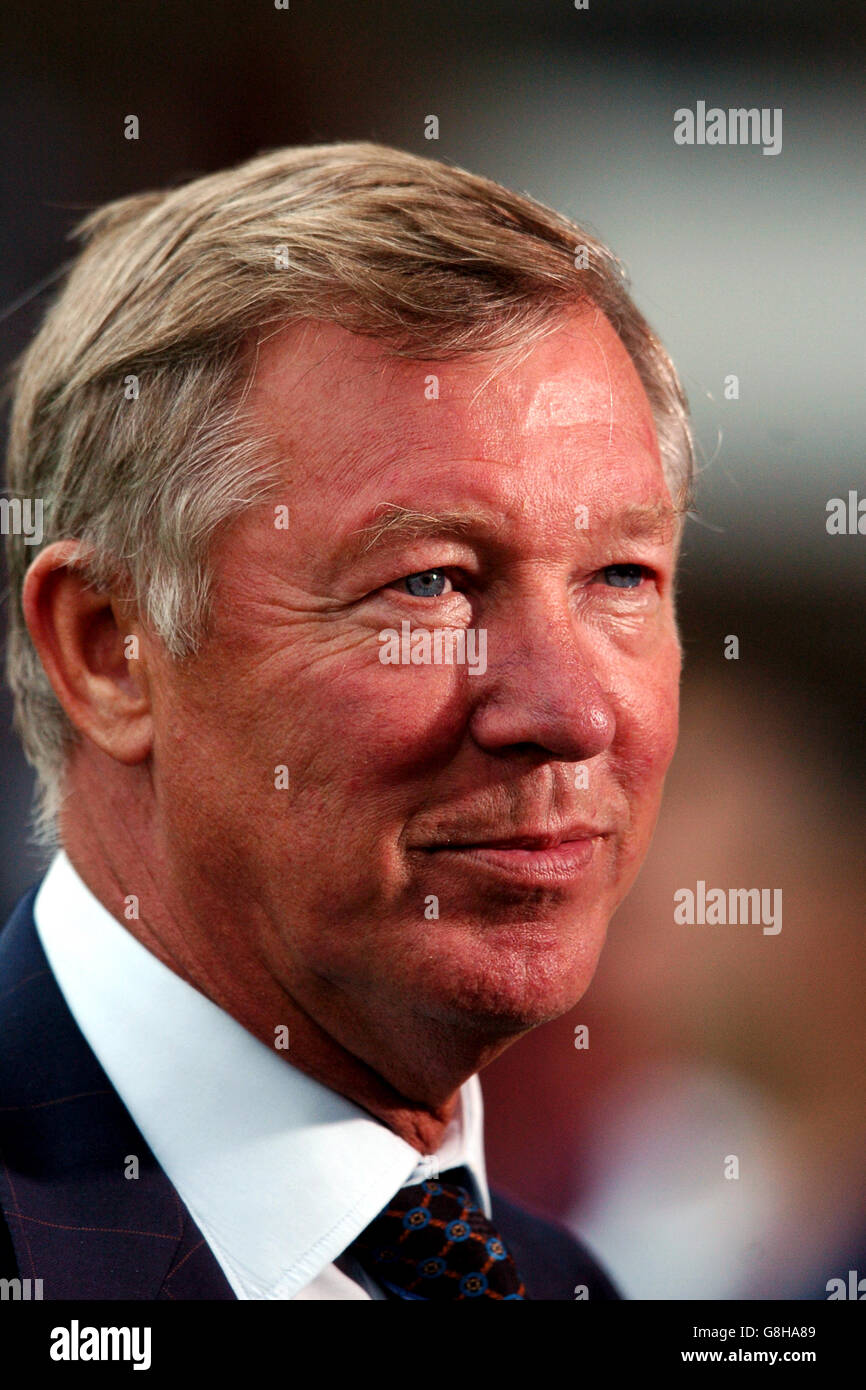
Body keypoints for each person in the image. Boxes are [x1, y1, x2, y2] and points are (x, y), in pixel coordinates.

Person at [0, 141, 693, 1300]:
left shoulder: (565, 1280)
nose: (572, 712)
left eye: (619, 575)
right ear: (109, 648)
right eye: (429, 582)